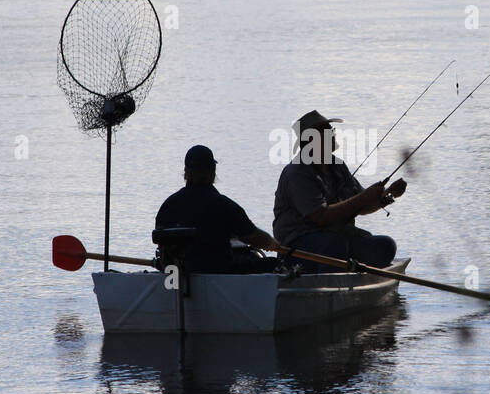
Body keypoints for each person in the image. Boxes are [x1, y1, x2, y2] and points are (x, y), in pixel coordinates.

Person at [273, 110, 407, 273]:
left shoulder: (337, 166)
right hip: (299, 243)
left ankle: (345, 271)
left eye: (332, 131)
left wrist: (388, 195)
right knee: (333, 245)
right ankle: (327, 279)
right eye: (328, 132)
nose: (333, 135)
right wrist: (363, 197)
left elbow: (362, 207)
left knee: (385, 246)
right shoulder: (297, 173)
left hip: (339, 237)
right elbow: (320, 216)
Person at [155, 145, 287, 274]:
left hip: (175, 277)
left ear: (185, 172)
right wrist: (271, 243)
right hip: (218, 275)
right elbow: (253, 237)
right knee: (271, 264)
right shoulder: (225, 206)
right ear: (213, 172)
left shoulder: (167, 206)